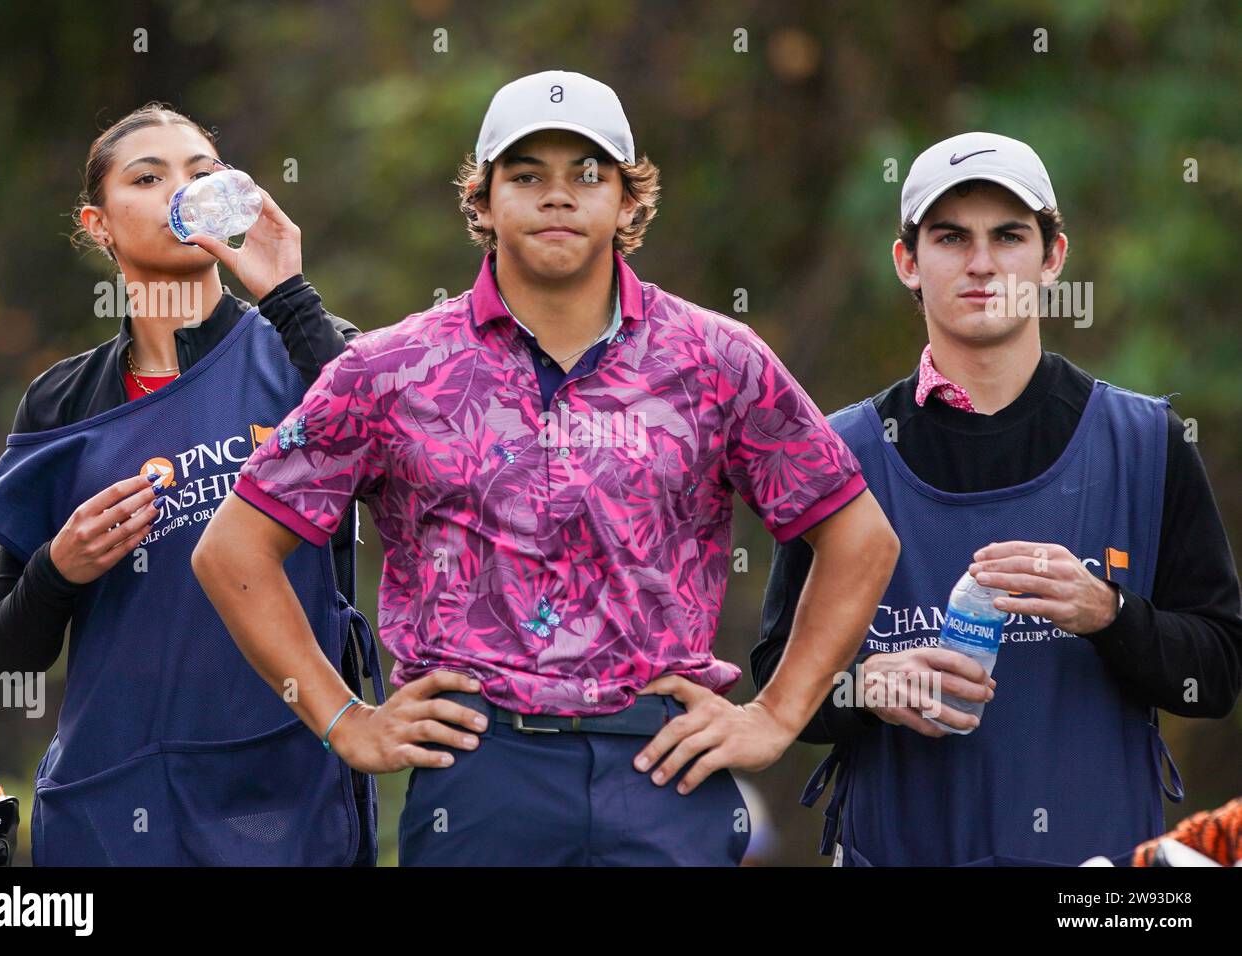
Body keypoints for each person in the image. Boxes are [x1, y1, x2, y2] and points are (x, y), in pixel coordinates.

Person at [192, 70, 899, 866]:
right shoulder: (393, 368)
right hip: (479, 775)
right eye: (526, 176)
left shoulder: (716, 358)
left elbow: (861, 539)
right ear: (483, 201)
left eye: (587, 175)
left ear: (629, 202)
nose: (557, 197)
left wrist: (776, 716)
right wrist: (344, 718)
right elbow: (232, 550)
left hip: (663, 767)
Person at [753, 132, 1242, 866]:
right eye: (951, 237)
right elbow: (777, 692)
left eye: (1008, 235)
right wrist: (861, 688)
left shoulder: (1147, 443)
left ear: (1052, 258)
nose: (982, 263)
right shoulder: (838, 453)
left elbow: (1218, 676)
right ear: (908, 263)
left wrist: (1108, 614)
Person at [0, 102, 379, 865]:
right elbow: (11, 649)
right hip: (109, 800)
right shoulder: (61, 400)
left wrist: (288, 296)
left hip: (283, 798)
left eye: (201, 172)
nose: (180, 190)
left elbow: (394, 457)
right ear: (99, 225)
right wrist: (61, 566)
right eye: (149, 177)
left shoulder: (302, 350)